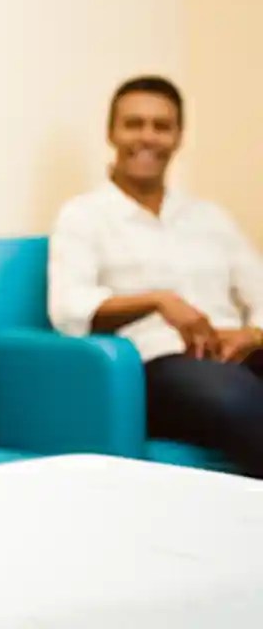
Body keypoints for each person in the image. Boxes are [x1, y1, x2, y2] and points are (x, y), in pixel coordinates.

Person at [48, 75, 263, 478]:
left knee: (242, 382)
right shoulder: (84, 215)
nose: (147, 137)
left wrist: (251, 335)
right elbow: (68, 311)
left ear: (179, 137)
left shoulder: (208, 216)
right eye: (134, 124)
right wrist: (158, 300)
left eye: (161, 126)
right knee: (237, 397)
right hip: (157, 367)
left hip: (233, 356)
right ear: (112, 132)